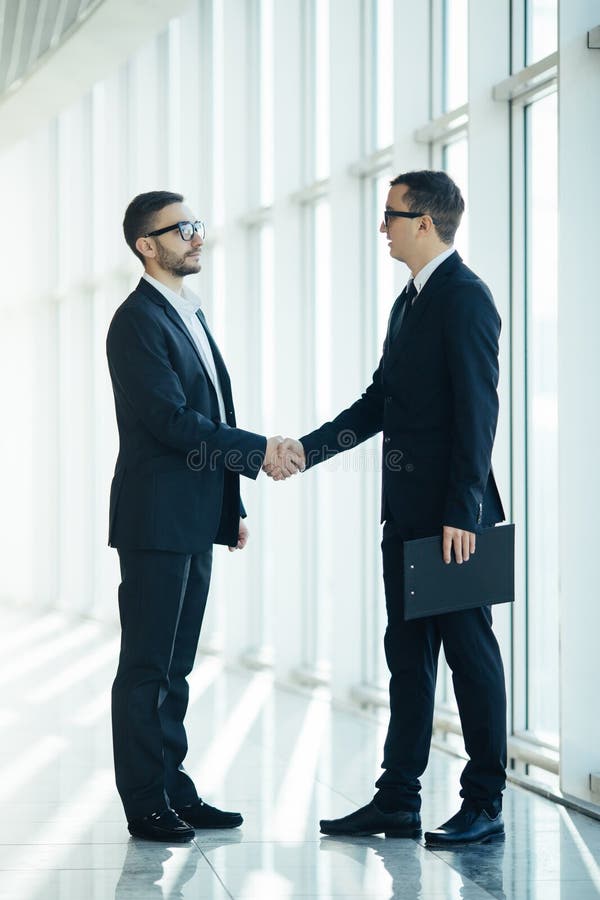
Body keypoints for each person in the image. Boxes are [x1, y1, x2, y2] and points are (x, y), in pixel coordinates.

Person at [268, 170, 507, 845]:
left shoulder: (465, 298)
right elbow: (381, 402)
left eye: (392, 215)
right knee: (407, 656)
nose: (383, 227)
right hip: (405, 515)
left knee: (470, 656)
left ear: (425, 222)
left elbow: (478, 413)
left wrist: (463, 511)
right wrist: (307, 451)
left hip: (453, 521)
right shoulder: (409, 302)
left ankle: (484, 804)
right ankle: (398, 800)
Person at [106, 191, 298, 842]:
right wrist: (258, 453)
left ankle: (174, 789)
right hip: (156, 521)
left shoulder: (188, 312)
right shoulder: (136, 322)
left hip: (191, 516)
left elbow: (210, 414)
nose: (197, 236)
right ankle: (146, 803)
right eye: (182, 228)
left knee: (176, 666)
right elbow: (170, 422)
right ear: (146, 245)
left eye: (198, 225)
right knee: (148, 667)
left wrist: (230, 506)